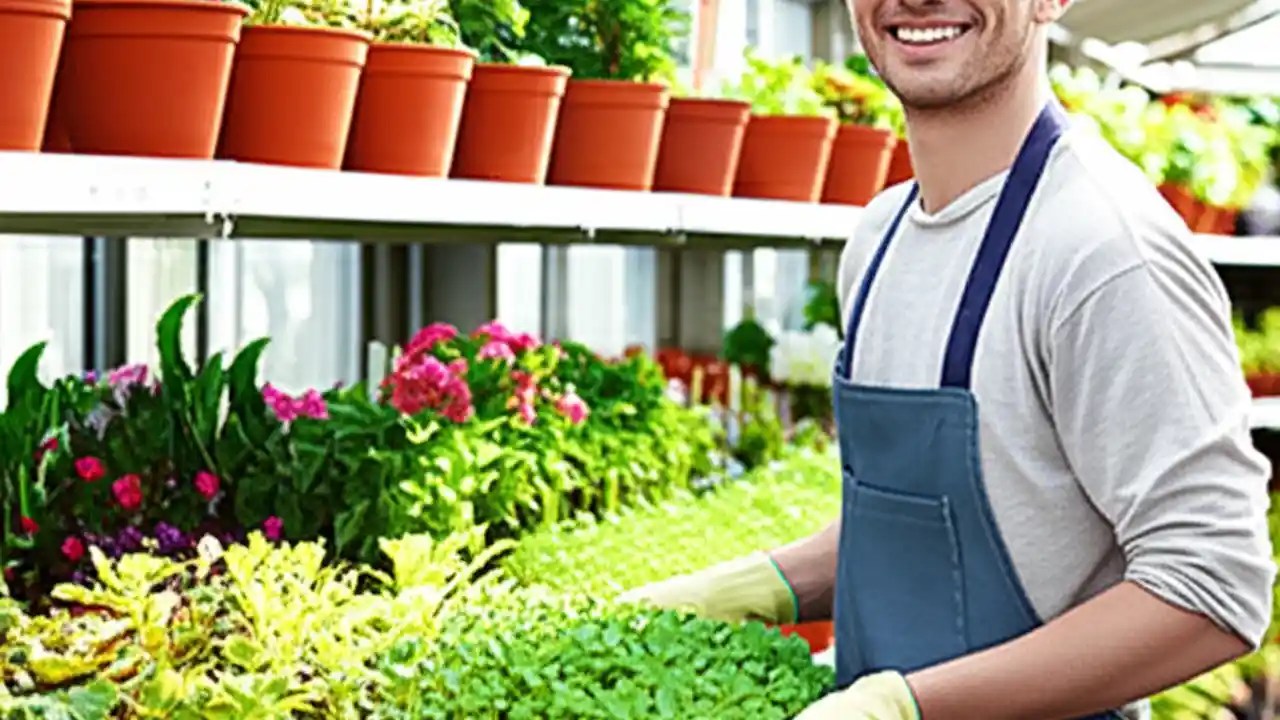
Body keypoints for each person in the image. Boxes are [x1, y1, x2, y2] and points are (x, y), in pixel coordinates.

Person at [620, 0, 1277, 717]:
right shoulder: (880, 239)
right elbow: (971, 519)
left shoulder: (1100, 249)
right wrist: (764, 584)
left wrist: (907, 709)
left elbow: (1214, 586)